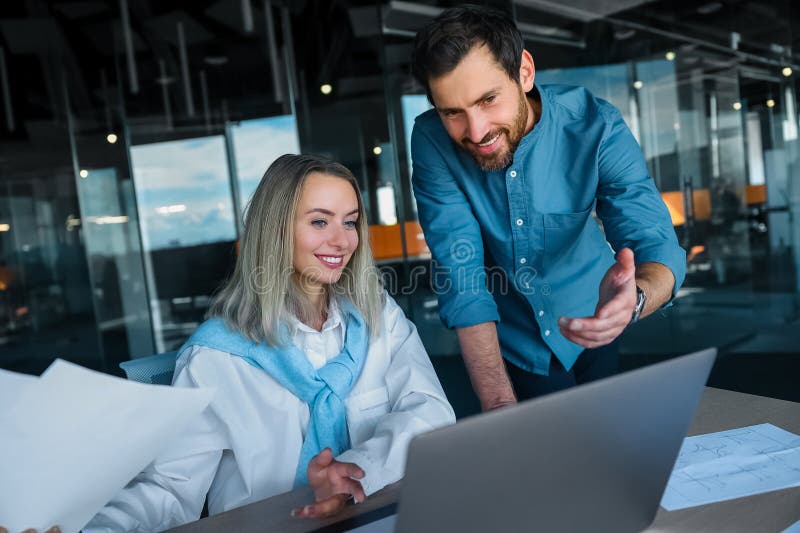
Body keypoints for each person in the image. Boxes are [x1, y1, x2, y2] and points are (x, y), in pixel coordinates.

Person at [83, 154, 455, 531]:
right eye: (319, 221)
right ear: (276, 231)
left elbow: (429, 412)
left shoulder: (378, 316)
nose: (342, 240)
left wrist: (358, 469)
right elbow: (168, 490)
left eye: (350, 222)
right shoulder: (215, 358)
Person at [410, 6, 686, 410]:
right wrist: (498, 404)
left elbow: (654, 242)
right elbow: (461, 274)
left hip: (597, 317)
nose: (476, 131)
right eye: (453, 112)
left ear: (524, 72)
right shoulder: (432, 141)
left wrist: (635, 300)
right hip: (515, 342)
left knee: (604, 437)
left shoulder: (597, 126)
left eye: (488, 100)